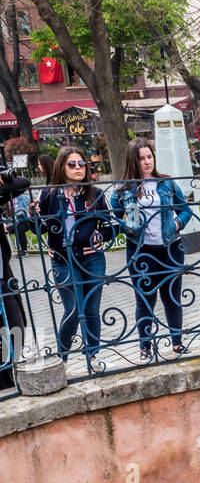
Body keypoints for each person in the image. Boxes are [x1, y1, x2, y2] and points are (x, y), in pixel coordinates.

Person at [110, 137, 193, 360]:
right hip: (141, 252)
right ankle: (144, 346)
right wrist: (127, 227)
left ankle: (177, 342)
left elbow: (185, 210)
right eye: (141, 159)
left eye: (149, 157)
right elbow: (115, 220)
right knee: (145, 300)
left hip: (170, 249)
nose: (147, 162)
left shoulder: (167, 183)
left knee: (172, 298)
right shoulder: (122, 190)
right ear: (132, 161)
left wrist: (177, 223)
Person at [37, 146, 114, 365]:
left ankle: (93, 356)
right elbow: (41, 227)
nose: (78, 168)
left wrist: (100, 235)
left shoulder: (94, 193)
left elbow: (110, 226)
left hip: (92, 259)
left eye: (82, 164)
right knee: (72, 310)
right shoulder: (50, 194)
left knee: (91, 309)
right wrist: (44, 238)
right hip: (62, 260)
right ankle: (61, 358)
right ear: (62, 167)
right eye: (72, 164)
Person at [0, 169, 31, 389]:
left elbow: (22, 183)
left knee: (17, 324)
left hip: (3, 276)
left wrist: (4, 180)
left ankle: (10, 370)